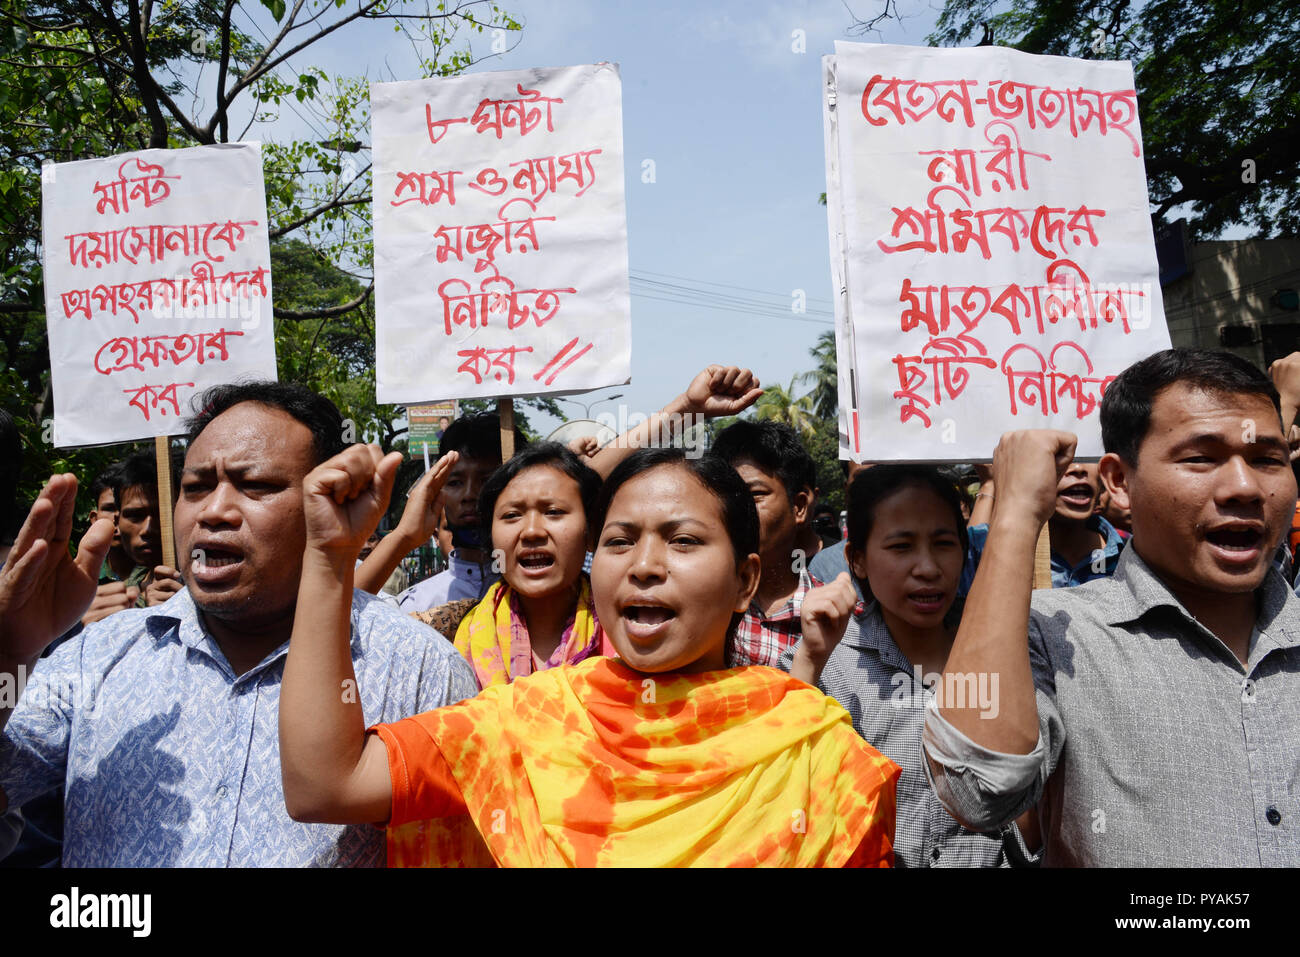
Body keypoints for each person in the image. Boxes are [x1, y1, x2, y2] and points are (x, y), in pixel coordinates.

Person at [280, 447, 901, 867]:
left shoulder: (821, 757)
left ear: (745, 581)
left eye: (683, 541)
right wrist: (328, 560)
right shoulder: (523, 721)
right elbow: (324, 786)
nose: (645, 566)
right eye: (619, 541)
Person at [0, 381, 476, 866]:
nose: (214, 511)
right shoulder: (94, 656)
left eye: (257, 486)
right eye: (196, 487)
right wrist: (11, 652)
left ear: (333, 498)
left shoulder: (421, 668)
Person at [924, 348, 1300, 866]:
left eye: (1266, 459)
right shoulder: (1055, 636)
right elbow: (976, 789)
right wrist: (1015, 512)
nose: (1245, 486)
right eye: (1201, 458)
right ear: (1120, 481)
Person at [782, 466, 1031, 867]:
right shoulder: (828, 665)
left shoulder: (1006, 657)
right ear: (857, 560)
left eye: (944, 543)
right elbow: (789, 794)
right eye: (901, 547)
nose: (928, 568)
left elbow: (1028, 812)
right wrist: (809, 661)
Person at [436, 442, 612, 687]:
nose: (531, 532)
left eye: (553, 511)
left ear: (591, 532)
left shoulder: (626, 632)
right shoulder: (444, 634)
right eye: (511, 515)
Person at [371, 412, 527, 611]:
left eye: (486, 480)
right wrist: (404, 537)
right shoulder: (416, 606)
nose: (470, 494)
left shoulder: (547, 596)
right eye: (455, 482)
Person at [709, 420, 819, 667]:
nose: (739, 509)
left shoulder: (839, 619)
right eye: (728, 497)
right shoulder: (699, 605)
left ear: (799, 506)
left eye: (755, 495)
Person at [960, 457, 1125, 592]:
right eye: (1059, 455)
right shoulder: (986, 550)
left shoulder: (1131, 556)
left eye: (1087, 454)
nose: (1077, 467)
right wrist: (990, 483)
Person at [79, 462, 143, 626]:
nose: (117, 517)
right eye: (109, 508)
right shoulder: (79, 579)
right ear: (94, 518)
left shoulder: (165, 575)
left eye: (127, 510)